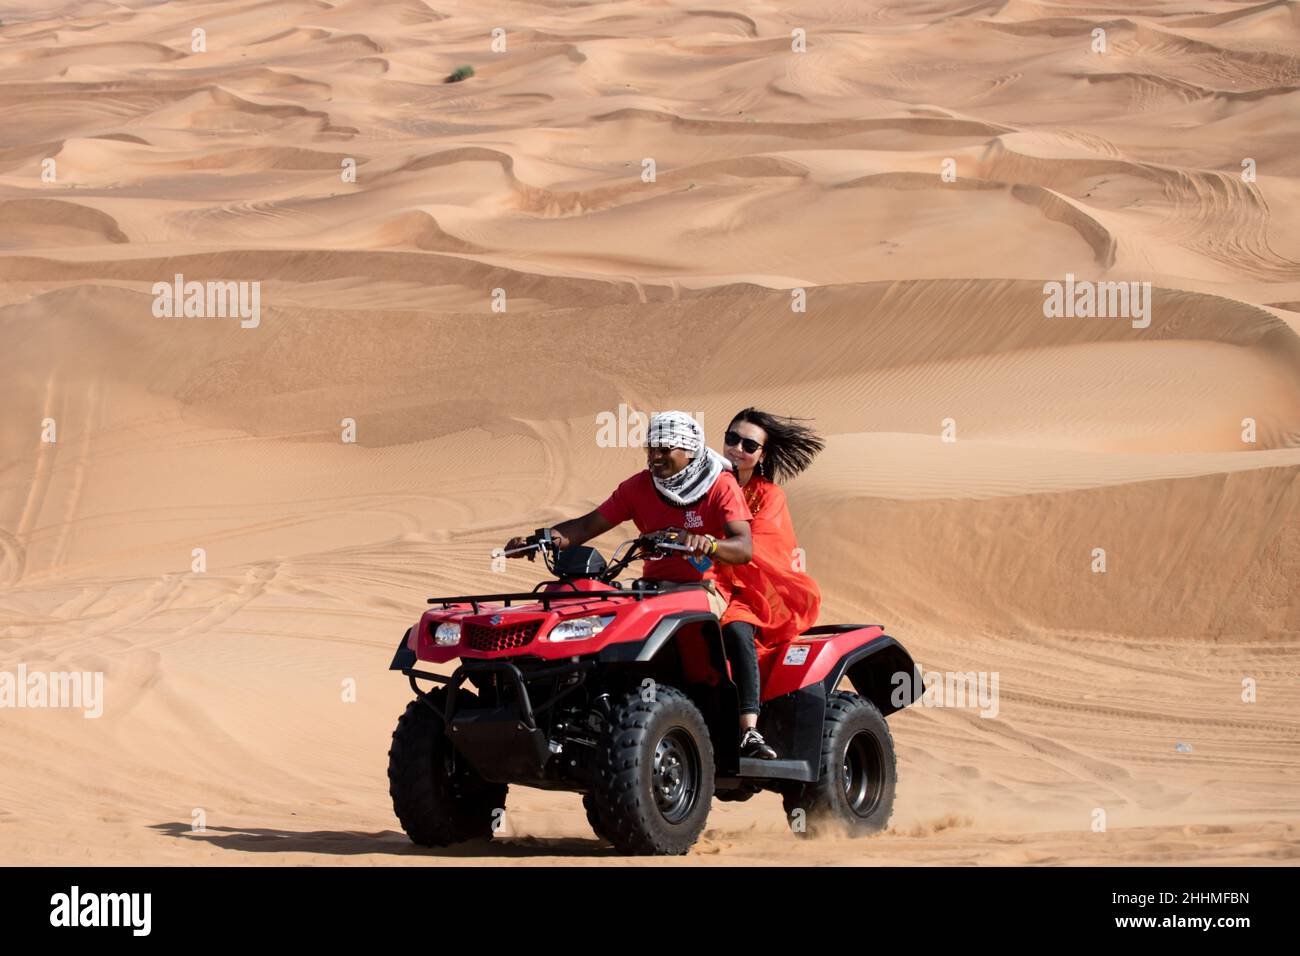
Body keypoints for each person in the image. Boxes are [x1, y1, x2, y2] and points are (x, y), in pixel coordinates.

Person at [501, 409, 753, 622]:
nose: (654, 457)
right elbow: (587, 525)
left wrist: (708, 544)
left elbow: (743, 547)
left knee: (657, 621)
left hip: (704, 590)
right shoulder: (638, 487)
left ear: (689, 451)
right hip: (651, 589)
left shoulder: (720, 485)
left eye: (664, 450)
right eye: (651, 449)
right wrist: (539, 540)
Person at [716, 408, 824, 760]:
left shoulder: (769, 496)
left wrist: (711, 545)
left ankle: (749, 728)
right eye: (732, 438)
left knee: (735, 629)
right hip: (701, 577)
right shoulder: (708, 483)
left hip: (749, 590)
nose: (736, 448)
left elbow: (760, 546)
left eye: (749, 445)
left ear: (761, 455)